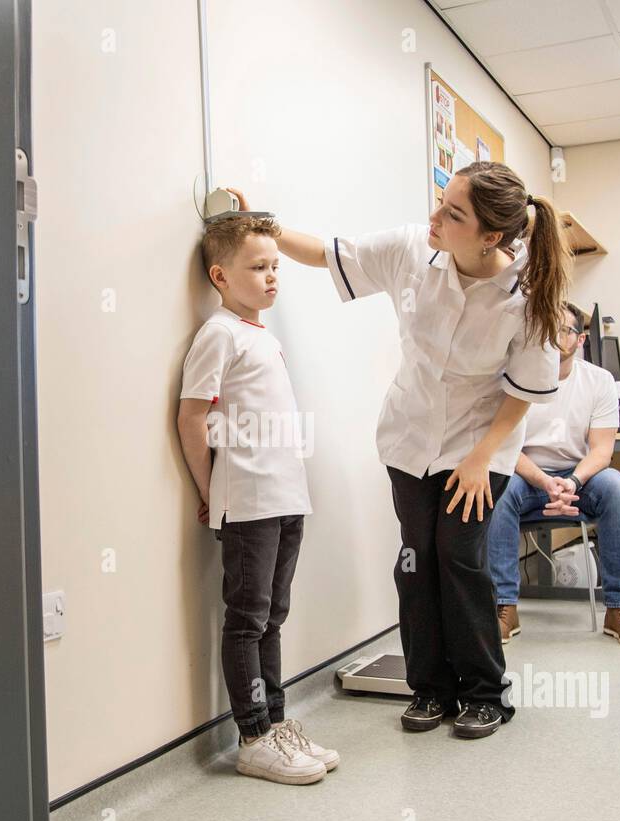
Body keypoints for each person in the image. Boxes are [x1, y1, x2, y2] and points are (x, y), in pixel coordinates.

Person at [228, 160, 570, 739]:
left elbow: (523, 392)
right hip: (410, 439)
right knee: (416, 561)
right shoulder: (416, 249)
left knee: (459, 559)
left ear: (491, 237)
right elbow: (327, 254)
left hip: (481, 450)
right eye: (441, 201)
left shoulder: (526, 297)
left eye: (453, 213)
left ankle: (484, 692)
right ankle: (431, 690)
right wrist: (260, 224)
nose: (434, 217)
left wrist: (481, 456)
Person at [177, 214, 340, 785]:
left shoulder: (261, 335)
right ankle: (252, 735)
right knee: (247, 620)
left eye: (275, 266)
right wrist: (208, 490)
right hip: (246, 500)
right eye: (258, 267)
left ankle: (276, 724)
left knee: (273, 617)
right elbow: (192, 417)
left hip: (286, 495)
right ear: (220, 275)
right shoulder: (218, 333)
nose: (273, 277)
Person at [487, 302, 620, 645]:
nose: (556, 336)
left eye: (566, 330)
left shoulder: (599, 381)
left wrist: (572, 481)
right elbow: (505, 447)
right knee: (497, 490)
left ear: (580, 340)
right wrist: (544, 481)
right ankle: (504, 606)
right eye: (549, 327)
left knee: (619, 491)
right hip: (527, 474)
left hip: (580, 476)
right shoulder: (512, 377)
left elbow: (602, 451)